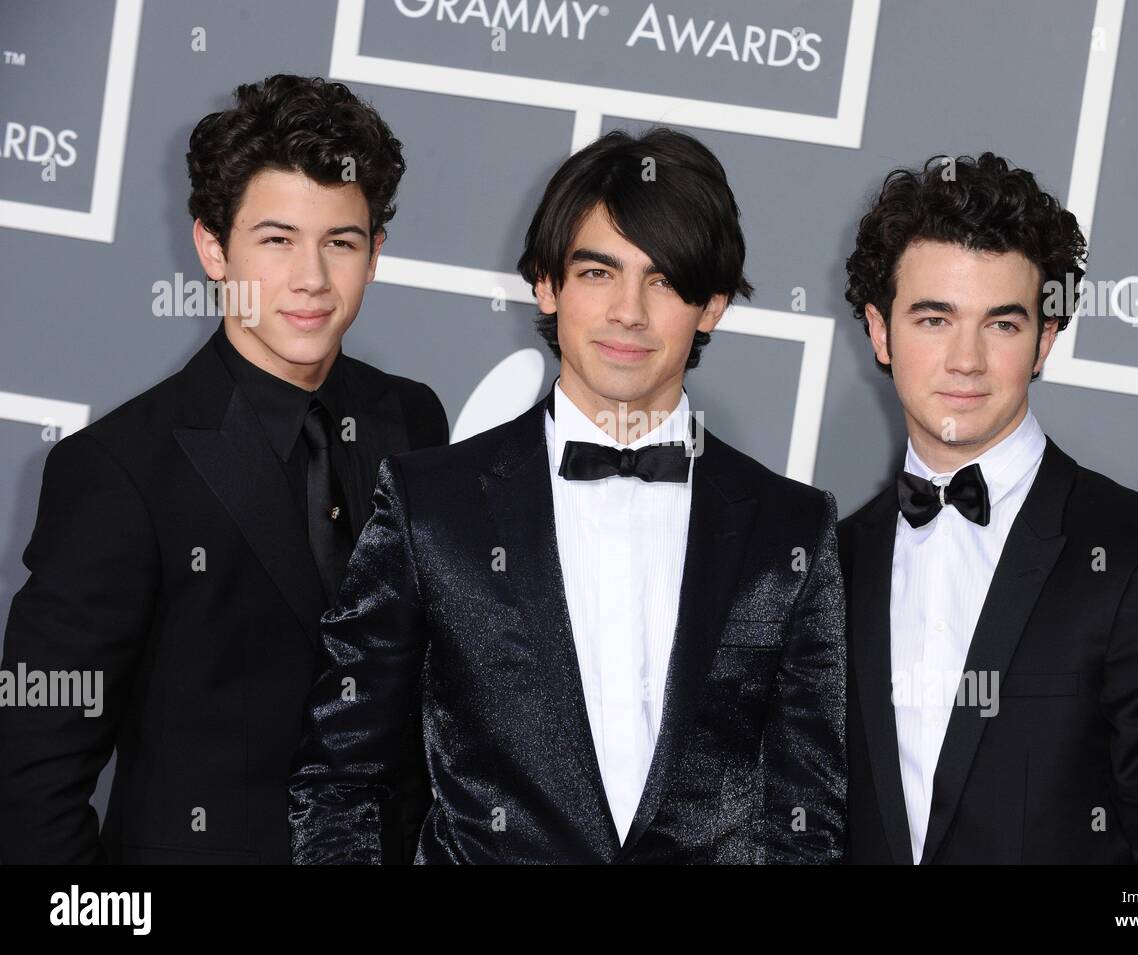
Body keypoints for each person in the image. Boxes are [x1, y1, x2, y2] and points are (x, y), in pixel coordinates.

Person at [288, 127, 846, 863]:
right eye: (597, 273)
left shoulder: (791, 528)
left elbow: (808, 813)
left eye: (665, 279)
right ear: (547, 284)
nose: (628, 312)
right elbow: (341, 777)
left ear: (710, 305)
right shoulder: (432, 506)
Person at [0, 74, 447, 864]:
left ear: (374, 254)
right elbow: (32, 771)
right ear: (213, 245)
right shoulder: (117, 470)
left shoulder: (411, 420)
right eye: (276, 240)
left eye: (339, 242)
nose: (311, 277)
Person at [838, 152, 1138, 864]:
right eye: (934, 319)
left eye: (1001, 324)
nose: (965, 359)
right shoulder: (830, 562)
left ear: (1045, 340)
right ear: (880, 331)